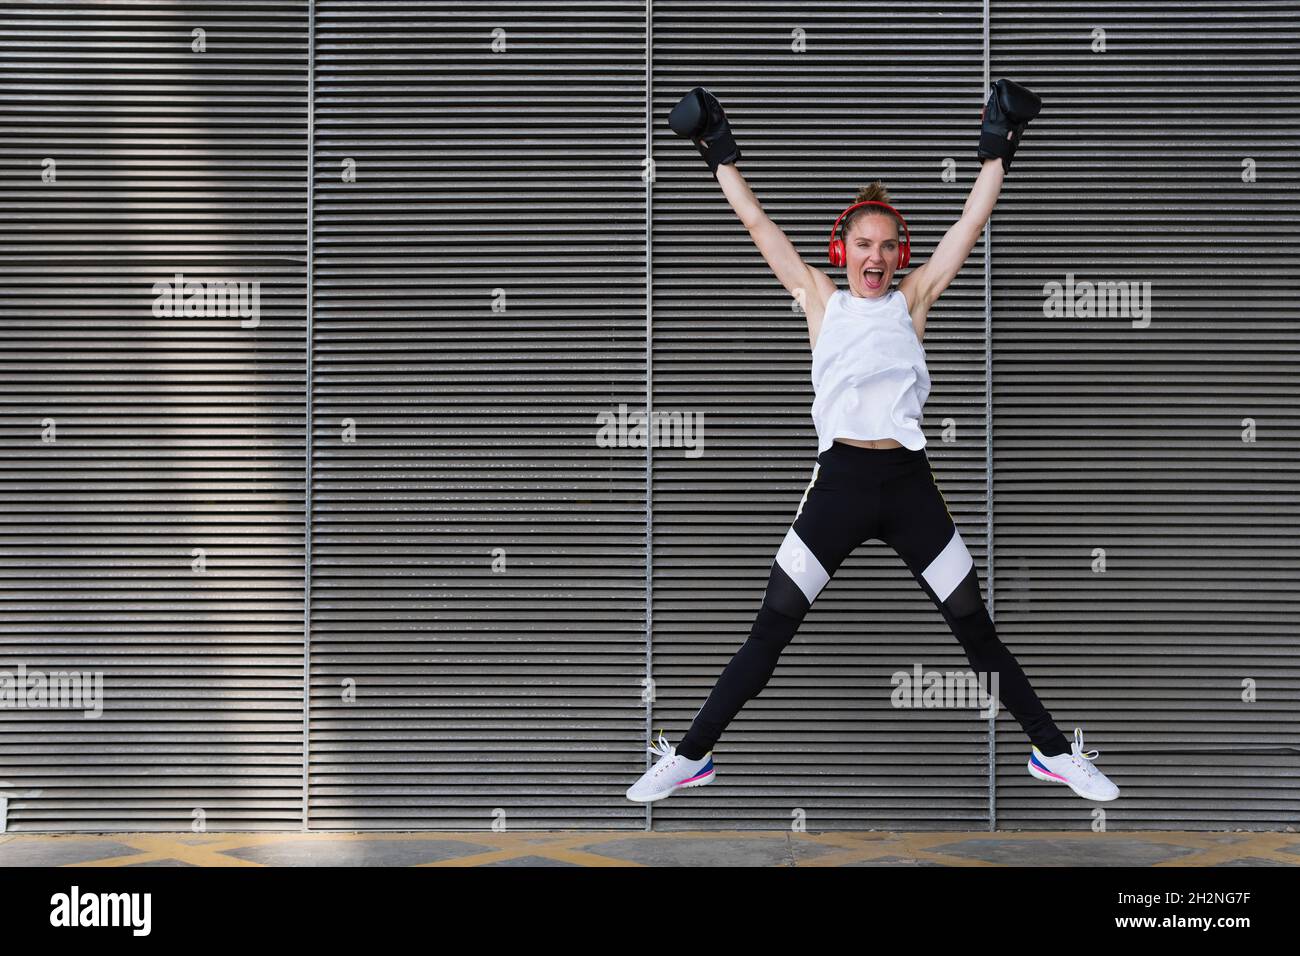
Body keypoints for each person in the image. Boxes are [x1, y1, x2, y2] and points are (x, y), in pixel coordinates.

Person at [626, 80, 1119, 805]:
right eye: (864, 244)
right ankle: (691, 755)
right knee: (770, 632)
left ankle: (1053, 753)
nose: (877, 257)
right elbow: (759, 225)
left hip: (910, 488)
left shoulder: (914, 299)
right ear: (842, 249)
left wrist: (999, 150)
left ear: (900, 255)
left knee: (975, 629)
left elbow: (969, 228)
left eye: (888, 247)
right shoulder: (819, 300)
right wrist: (716, 148)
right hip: (839, 487)